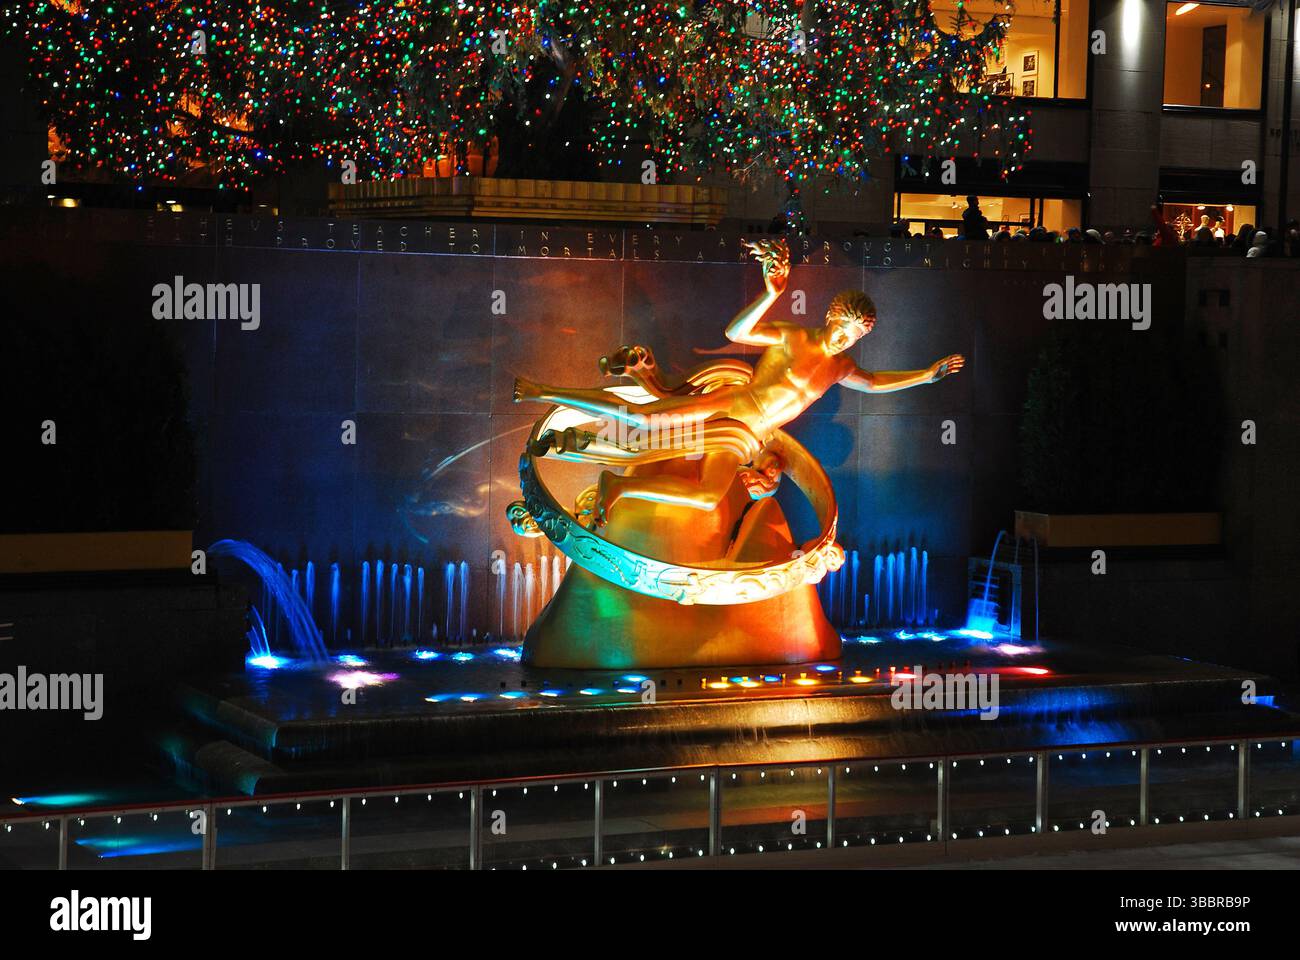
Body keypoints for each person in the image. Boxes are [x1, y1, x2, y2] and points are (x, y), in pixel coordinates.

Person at [514, 239, 965, 525]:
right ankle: (544, 390)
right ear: (832, 316)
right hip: (732, 404)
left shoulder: (840, 368)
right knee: (644, 419)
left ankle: (618, 486)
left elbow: (876, 381)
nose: (849, 338)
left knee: (708, 496)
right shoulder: (793, 336)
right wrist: (771, 294)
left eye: (858, 335)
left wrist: (925, 376)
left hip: (746, 436)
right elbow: (737, 333)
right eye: (846, 327)